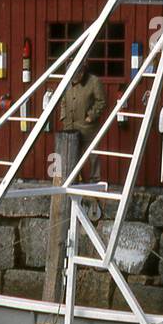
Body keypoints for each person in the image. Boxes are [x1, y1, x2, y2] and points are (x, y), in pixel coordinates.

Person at [58, 65, 108, 220]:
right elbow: (63, 101)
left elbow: (101, 101)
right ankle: (74, 183)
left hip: (88, 128)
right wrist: (64, 118)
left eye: (76, 75)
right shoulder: (67, 82)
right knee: (72, 157)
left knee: (92, 157)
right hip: (70, 128)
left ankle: (95, 188)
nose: (73, 78)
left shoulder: (94, 81)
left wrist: (91, 116)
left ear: (82, 72)